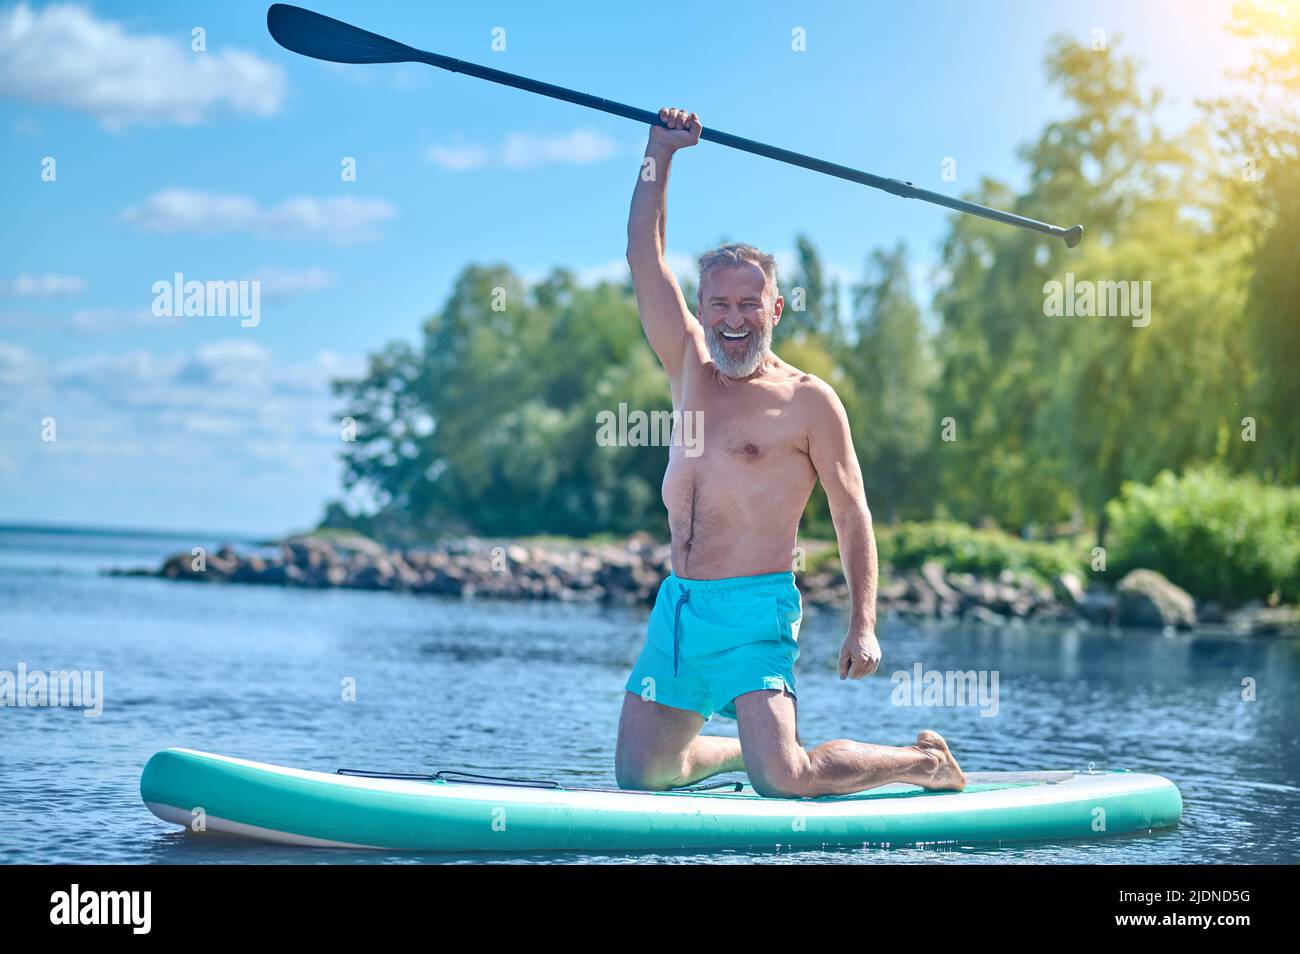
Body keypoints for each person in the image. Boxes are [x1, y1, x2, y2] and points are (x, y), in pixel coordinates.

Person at [615, 107, 965, 798]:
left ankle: (925, 762)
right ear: (705, 308)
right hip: (680, 610)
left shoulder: (808, 401)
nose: (733, 319)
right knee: (641, 775)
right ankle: (737, 750)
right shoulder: (687, 364)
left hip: (754, 610)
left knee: (787, 778)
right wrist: (660, 152)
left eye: (750, 304)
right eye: (720, 304)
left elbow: (851, 511)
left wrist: (863, 625)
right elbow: (642, 255)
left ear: (775, 310)